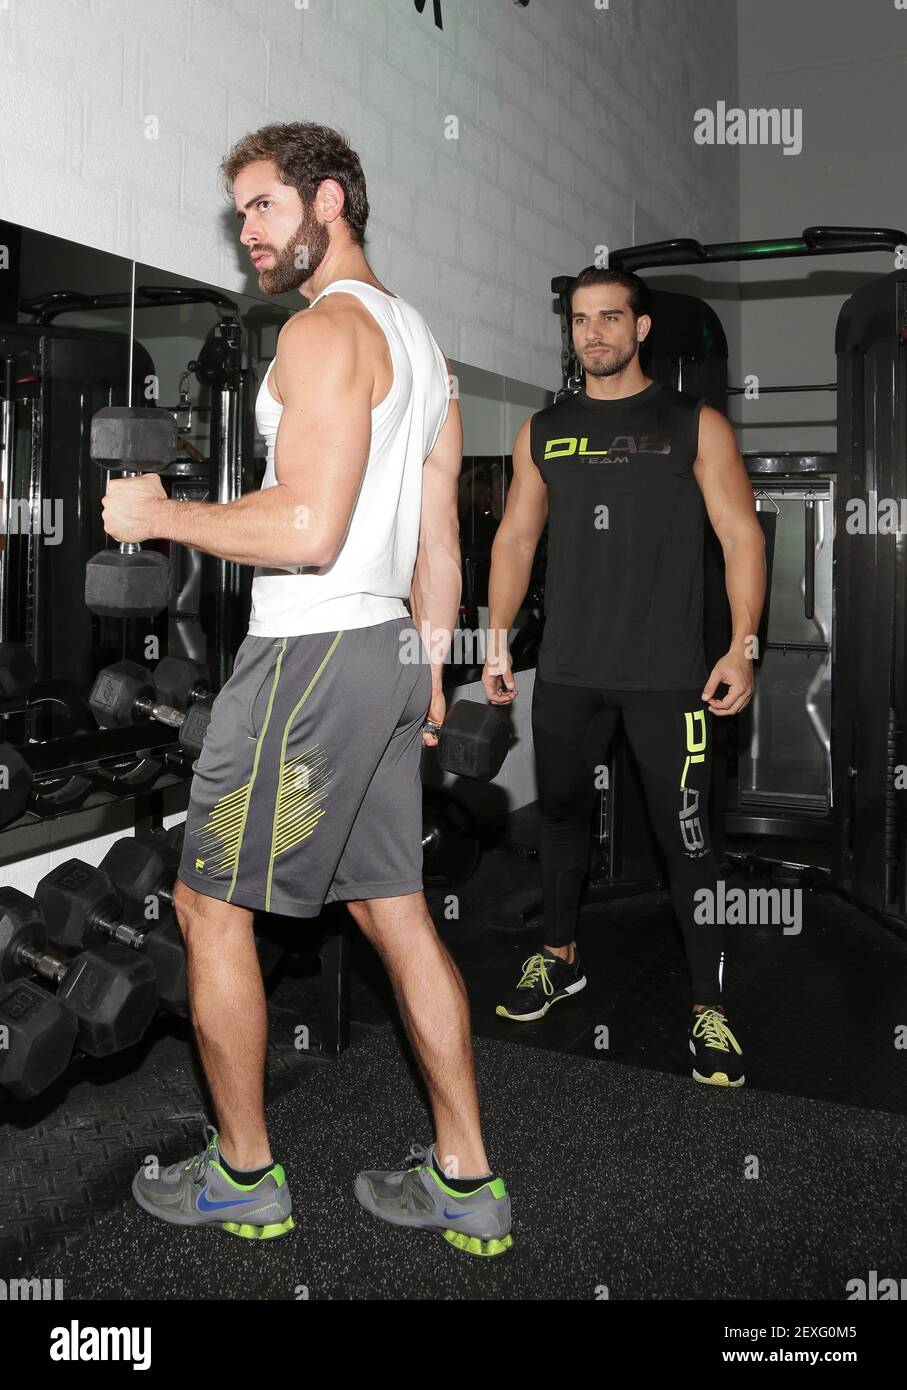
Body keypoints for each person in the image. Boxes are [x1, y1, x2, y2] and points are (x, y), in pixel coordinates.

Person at [101, 122, 511, 1255]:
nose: (249, 232)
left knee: (205, 906)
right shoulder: (422, 347)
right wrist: (427, 662)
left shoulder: (325, 334)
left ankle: (244, 1173)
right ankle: (468, 1178)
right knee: (394, 909)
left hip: (306, 656)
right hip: (378, 656)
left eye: (264, 207)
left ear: (329, 197)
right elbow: (440, 539)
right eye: (241, 213)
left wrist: (159, 517)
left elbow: (308, 529)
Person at [485, 266, 765, 1087]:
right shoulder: (544, 431)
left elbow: (741, 536)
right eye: (580, 320)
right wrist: (494, 639)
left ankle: (708, 1006)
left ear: (641, 329)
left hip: (666, 676)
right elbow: (513, 542)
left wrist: (741, 644)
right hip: (569, 672)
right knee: (564, 822)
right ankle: (558, 957)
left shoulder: (692, 423)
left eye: (610, 318)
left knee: (686, 839)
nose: (594, 333)